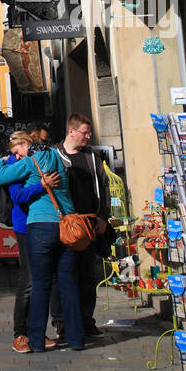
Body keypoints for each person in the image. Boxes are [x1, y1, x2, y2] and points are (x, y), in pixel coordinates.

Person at [0, 138, 85, 352]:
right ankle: (76, 339)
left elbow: (0, 177)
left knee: (41, 285)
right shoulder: (60, 162)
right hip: (66, 226)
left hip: (40, 226)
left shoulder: (29, 164)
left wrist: (2, 160)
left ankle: (36, 340)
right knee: (68, 284)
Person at [53, 114, 111, 340]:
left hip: (89, 224)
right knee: (63, 275)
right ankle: (62, 322)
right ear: (71, 131)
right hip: (65, 225)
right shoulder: (54, 155)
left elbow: (103, 186)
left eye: (89, 133)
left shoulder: (91, 157)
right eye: (85, 132)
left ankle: (87, 320)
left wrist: (103, 216)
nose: (88, 136)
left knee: (88, 275)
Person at [1, 131, 60, 354]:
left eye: (17, 151)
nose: (16, 156)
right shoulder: (12, 165)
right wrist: (42, 186)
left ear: (27, 144)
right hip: (25, 226)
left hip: (43, 222)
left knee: (42, 280)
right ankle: (20, 333)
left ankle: (36, 332)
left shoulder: (41, 157)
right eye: (14, 153)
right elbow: (17, 196)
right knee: (28, 281)